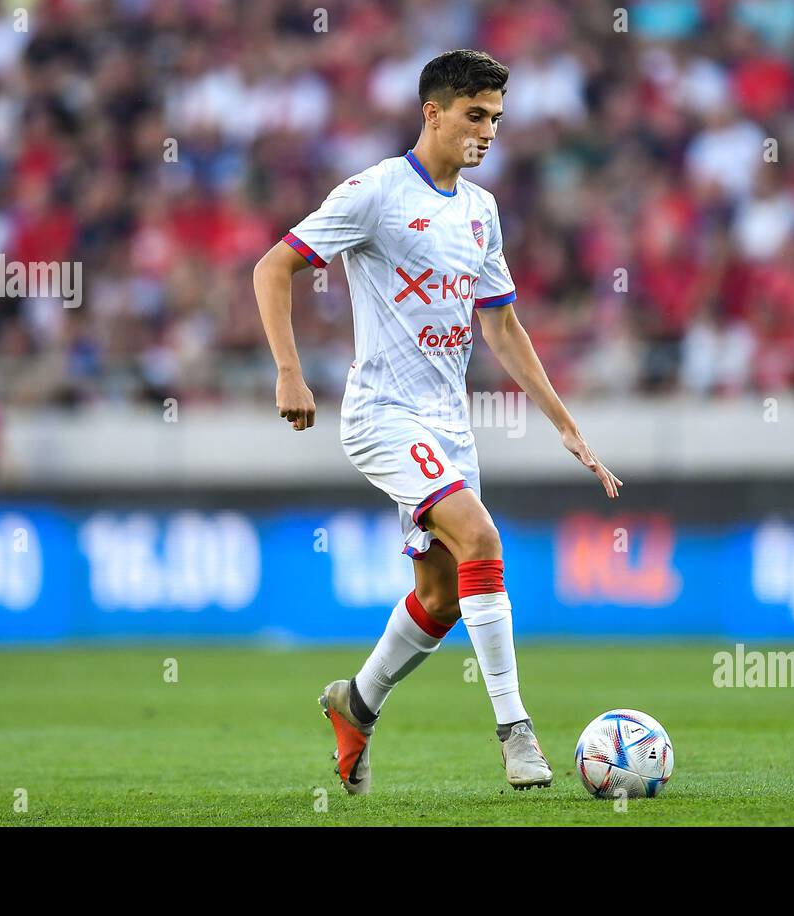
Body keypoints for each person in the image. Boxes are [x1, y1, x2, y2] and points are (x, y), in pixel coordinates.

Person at [252, 49, 621, 794]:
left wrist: (564, 423)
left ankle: (355, 702)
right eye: (475, 115)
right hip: (383, 413)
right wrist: (289, 370)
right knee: (483, 537)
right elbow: (272, 267)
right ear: (434, 112)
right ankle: (516, 732)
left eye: (496, 119)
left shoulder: (481, 212)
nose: (487, 132)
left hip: (450, 424)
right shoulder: (377, 192)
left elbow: (504, 330)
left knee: (445, 595)